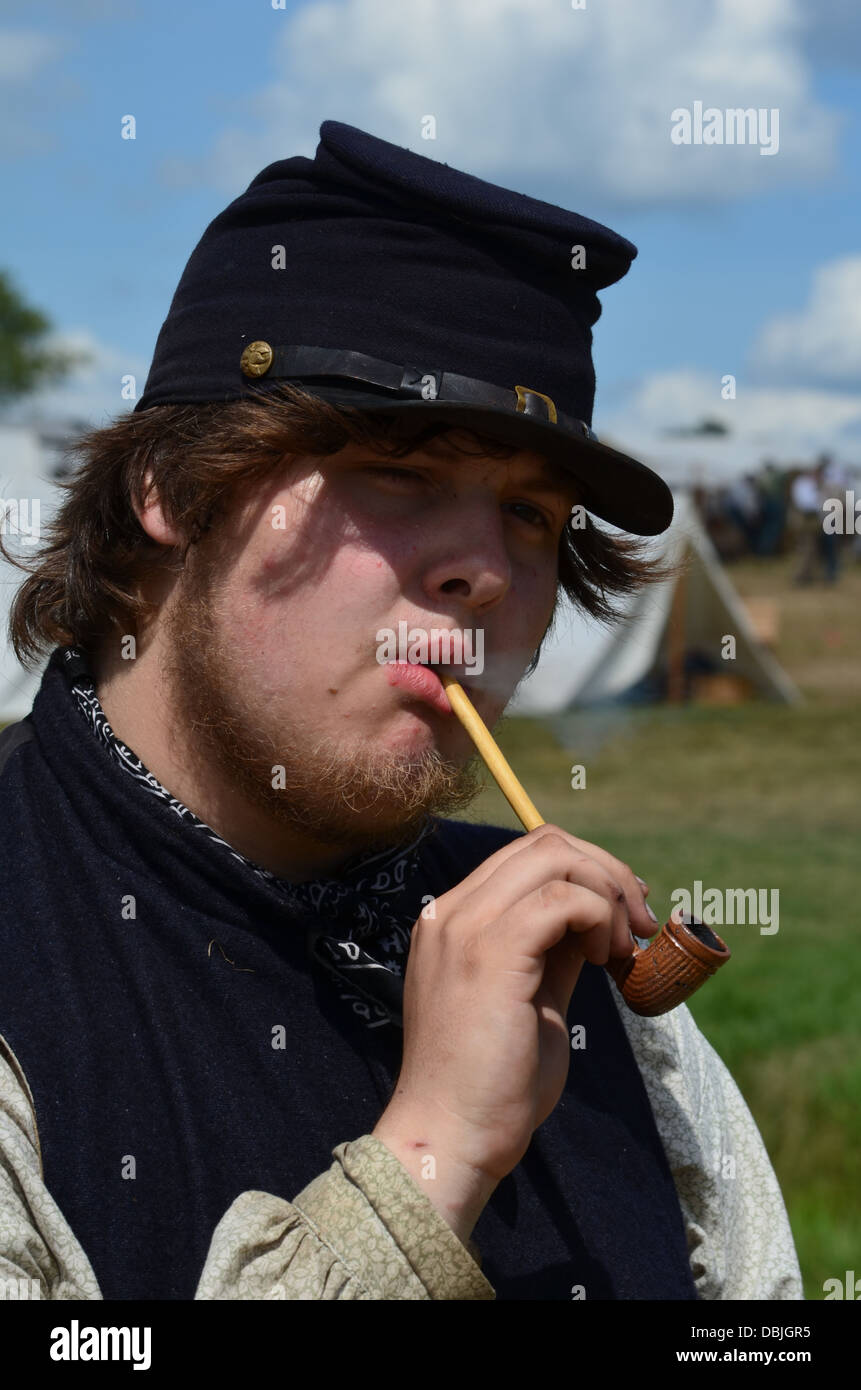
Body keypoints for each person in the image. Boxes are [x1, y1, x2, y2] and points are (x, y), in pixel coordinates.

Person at [0, 120, 801, 1301]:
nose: (485, 567)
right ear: (170, 488)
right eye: (402, 473)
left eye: (531, 513)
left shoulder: (597, 997)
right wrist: (426, 1166)